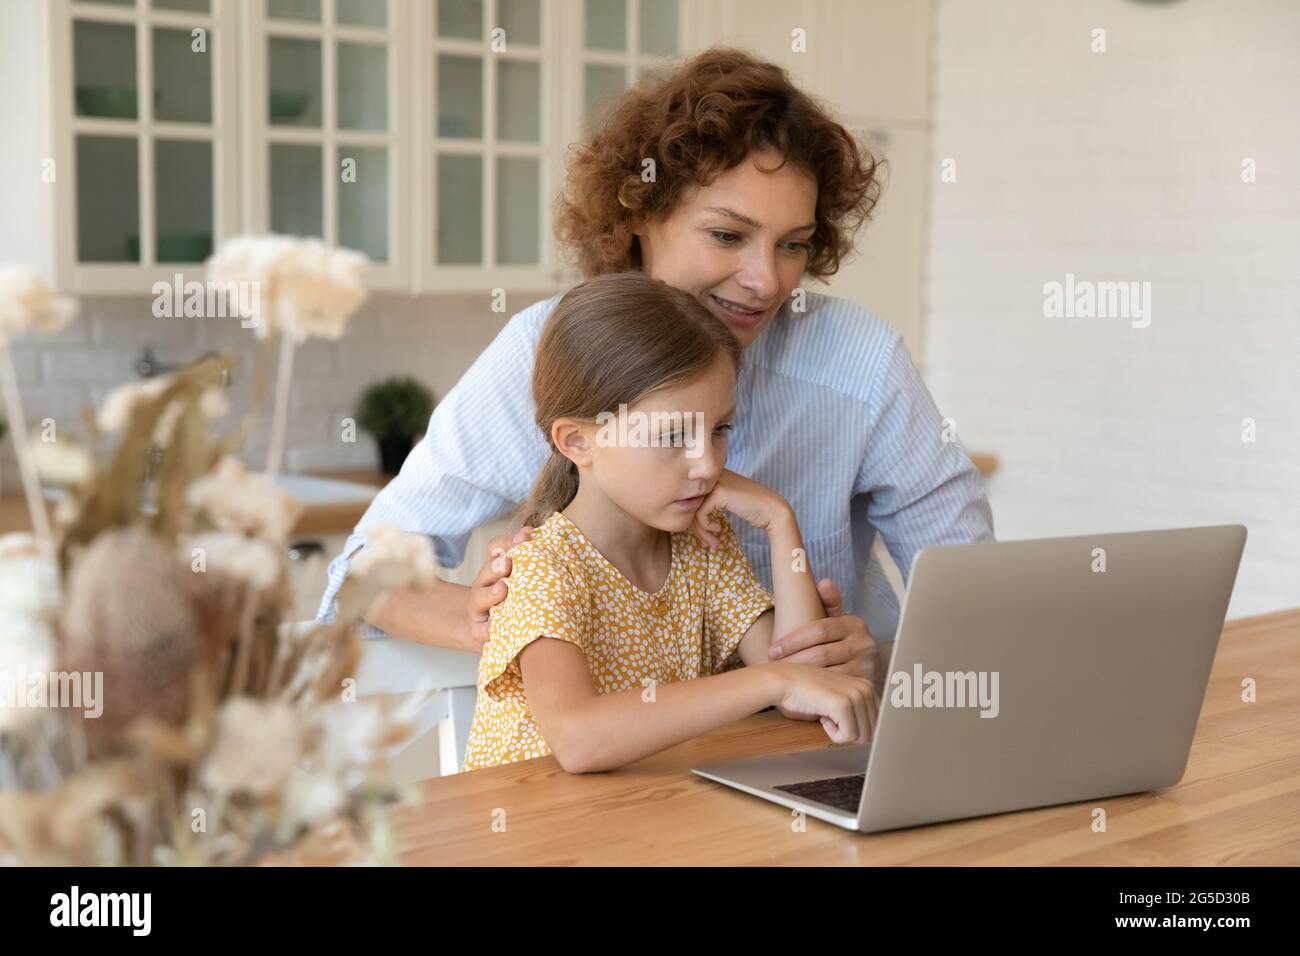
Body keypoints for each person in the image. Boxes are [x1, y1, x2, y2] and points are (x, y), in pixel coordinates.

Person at [317, 47, 995, 694]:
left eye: (792, 245)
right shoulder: (548, 348)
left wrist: (873, 656)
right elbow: (362, 574)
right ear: (638, 212)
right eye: (727, 236)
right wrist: (484, 616)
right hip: (620, 780)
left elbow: (976, 597)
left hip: (810, 755)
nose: (765, 281)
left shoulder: (861, 362)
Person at [462, 272, 876, 771]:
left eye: (720, 429)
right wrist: (772, 681)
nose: (706, 464)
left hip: (649, 822)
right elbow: (577, 739)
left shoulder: (703, 546)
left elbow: (802, 687)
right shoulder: (540, 568)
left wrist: (778, 518)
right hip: (542, 838)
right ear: (576, 442)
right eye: (673, 435)